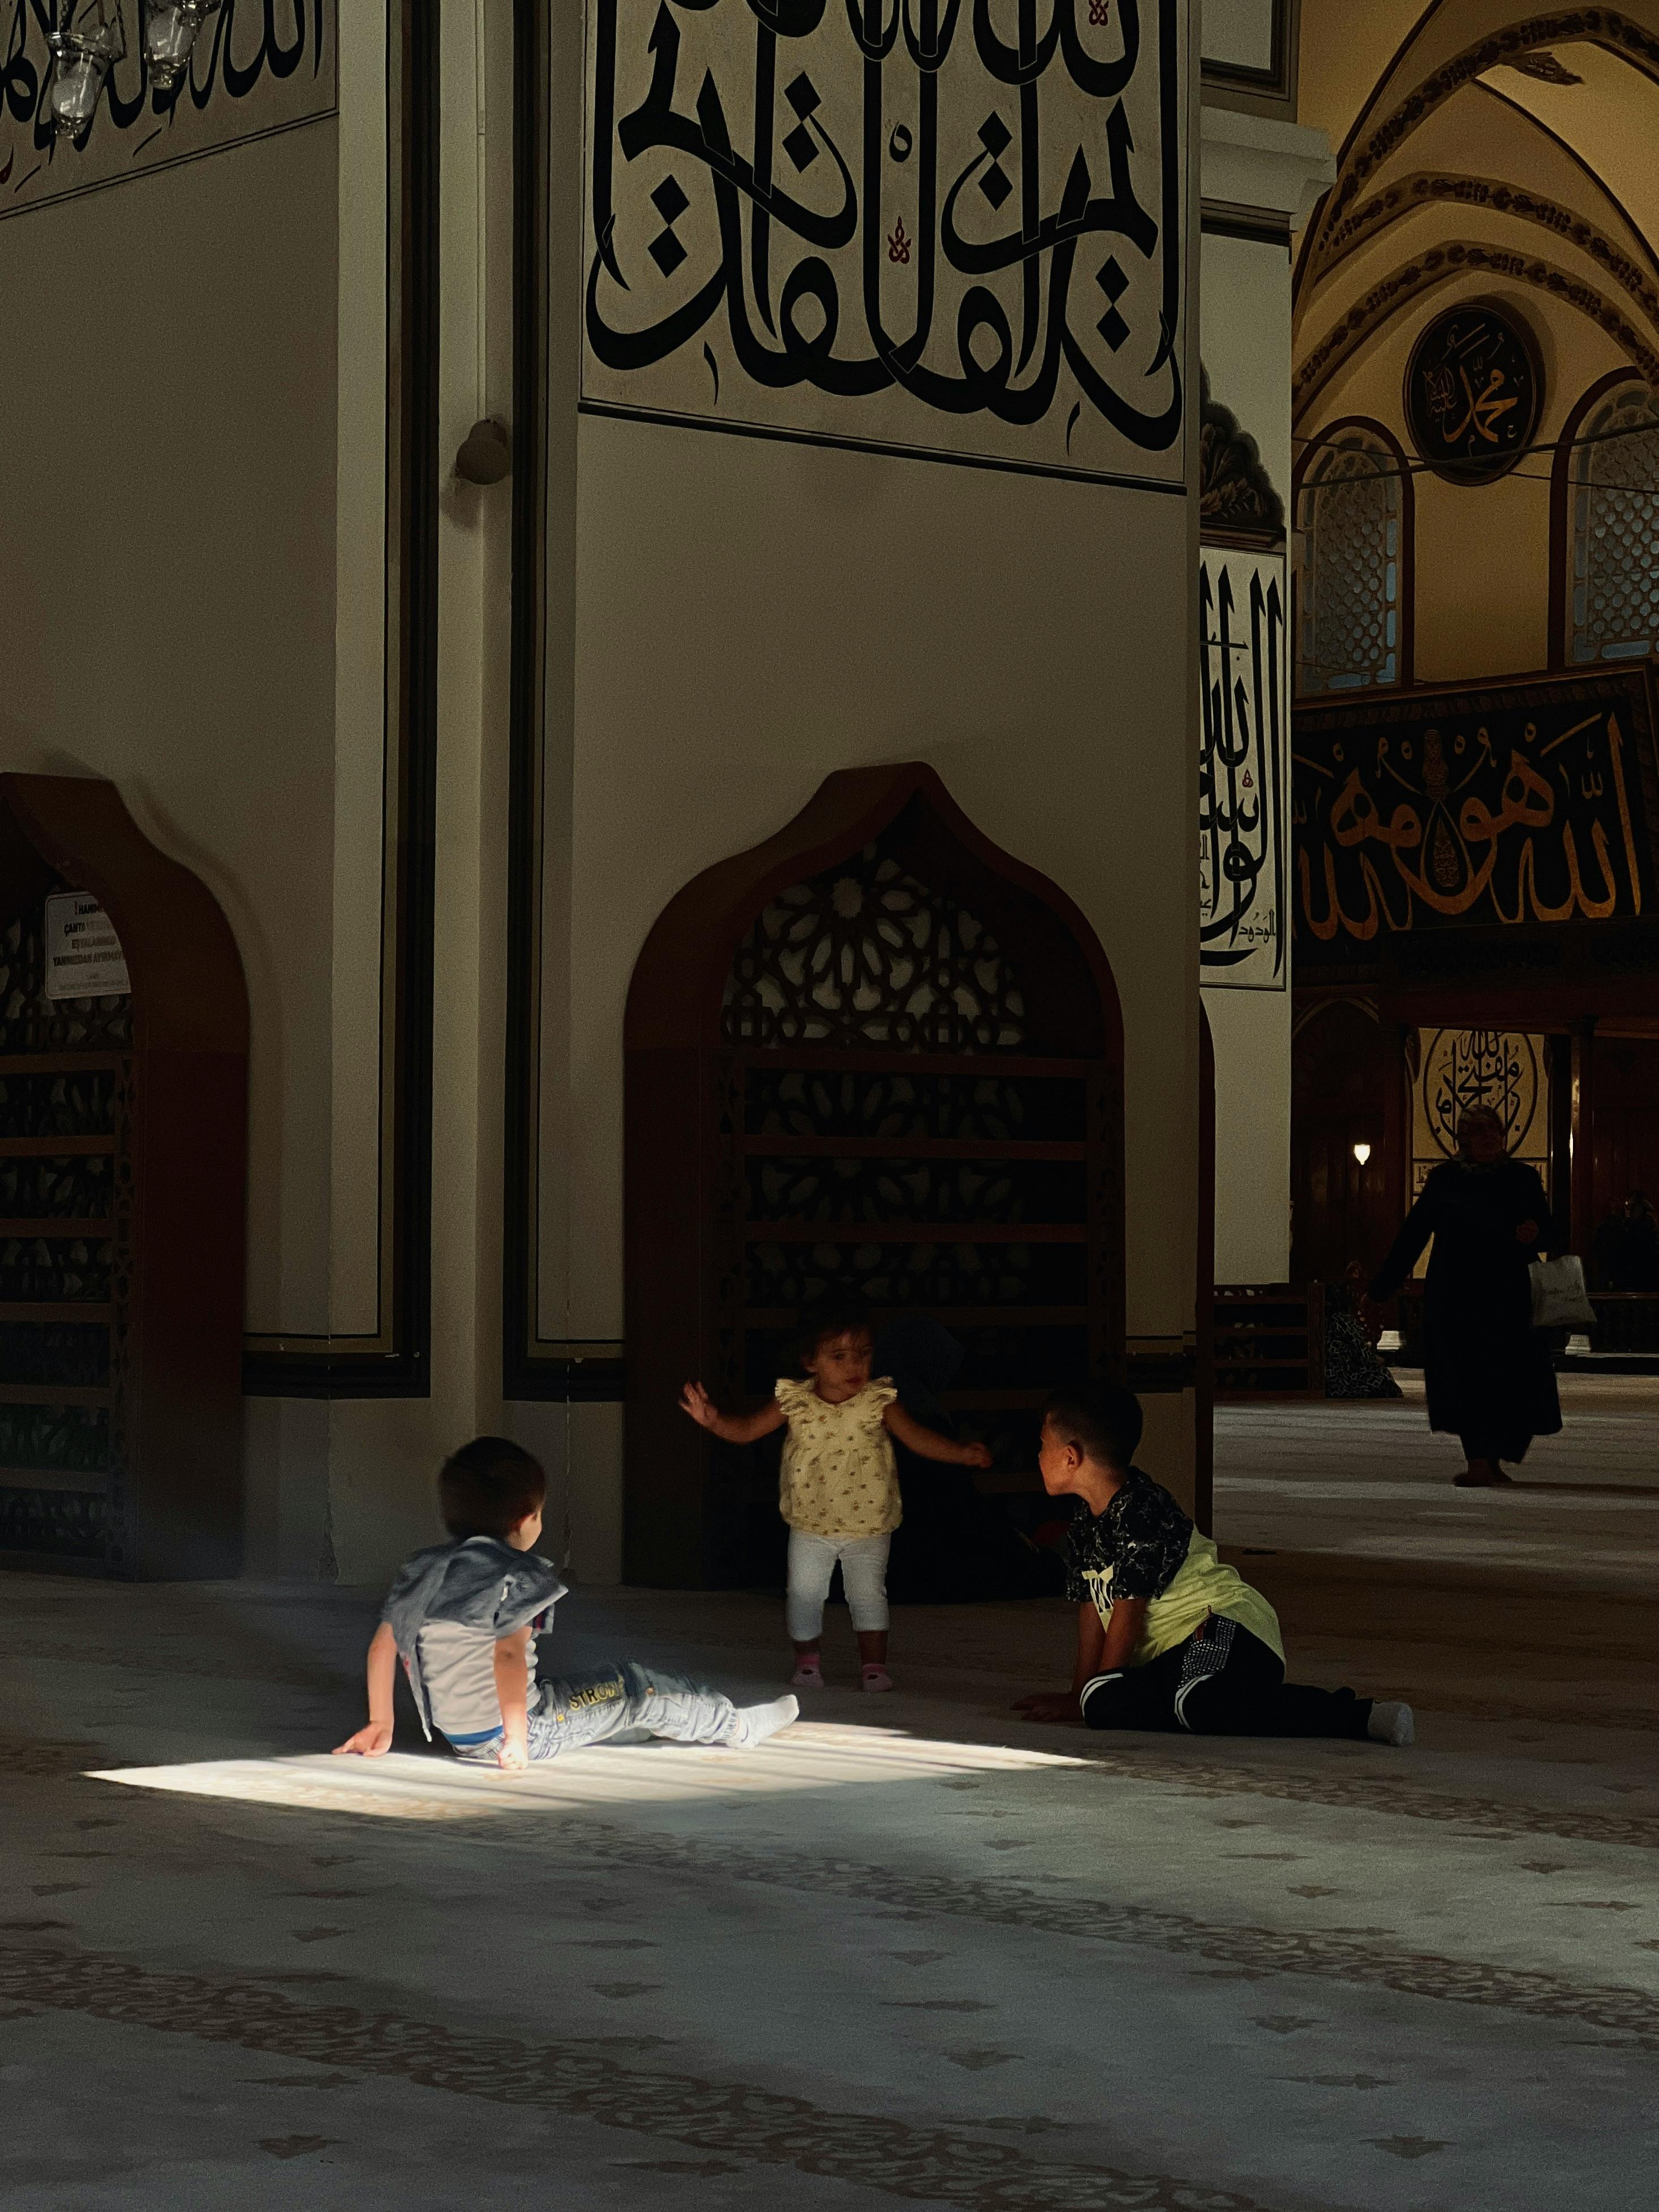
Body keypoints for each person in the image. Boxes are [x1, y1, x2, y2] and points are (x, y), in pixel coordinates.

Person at [335, 1436, 797, 1768]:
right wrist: (517, 1740)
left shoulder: (425, 1568)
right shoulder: (519, 1575)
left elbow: (383, 1649)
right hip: (519, 1732)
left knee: (580, 1692)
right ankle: (735, 1727)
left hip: (460, 1736)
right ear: (527, 1518)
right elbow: (508, 1655)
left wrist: (382, 1723)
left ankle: (623, 1725)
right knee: (634, 1686)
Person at [1013, 1383, 1413, 1744]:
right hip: (1177, 1657)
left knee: (1197, 1698)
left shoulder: (1140, 1509)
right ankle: (1214, 1704)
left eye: (1042, 1445)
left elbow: (1127, 1615)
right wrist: (1080, 1693)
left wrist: (1095, 1690)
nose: (1037, 1454)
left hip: (1227, 1628)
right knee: (1102, 1702)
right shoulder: (1087, 1518)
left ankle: (1358, 1716)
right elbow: (1093, 1609)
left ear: (1070, 1457)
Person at [680, 1298, 991, 1692]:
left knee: (868, 1595)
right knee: (805, 1593)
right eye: (839, 1356)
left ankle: (874, 1666)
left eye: (863, 1355)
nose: (854, 1366)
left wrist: (961, 1452)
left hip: (870, 1520)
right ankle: (807, 1663)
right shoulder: (794, 1400)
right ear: (811, 1362)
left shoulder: (879, 1400)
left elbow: (918, 1439)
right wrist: (713, 1420)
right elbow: (746, 1430)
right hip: (812, 1521)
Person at [1369, 1104, 1561, 1487]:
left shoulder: (1521, 1178)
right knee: (1469, 1378)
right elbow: (1414, 1235)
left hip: (1509, 1299)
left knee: (1510, 1379)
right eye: (1477, 1132)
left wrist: (1533, 1233)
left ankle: (1493, 1458)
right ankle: (1478, 1461)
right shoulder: (1445, 1180)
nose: (1487, 1138)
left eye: (1492, 1131)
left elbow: (1550, 1231)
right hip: (1459, 1299)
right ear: (1463, 1140)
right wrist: (1382, 1289)